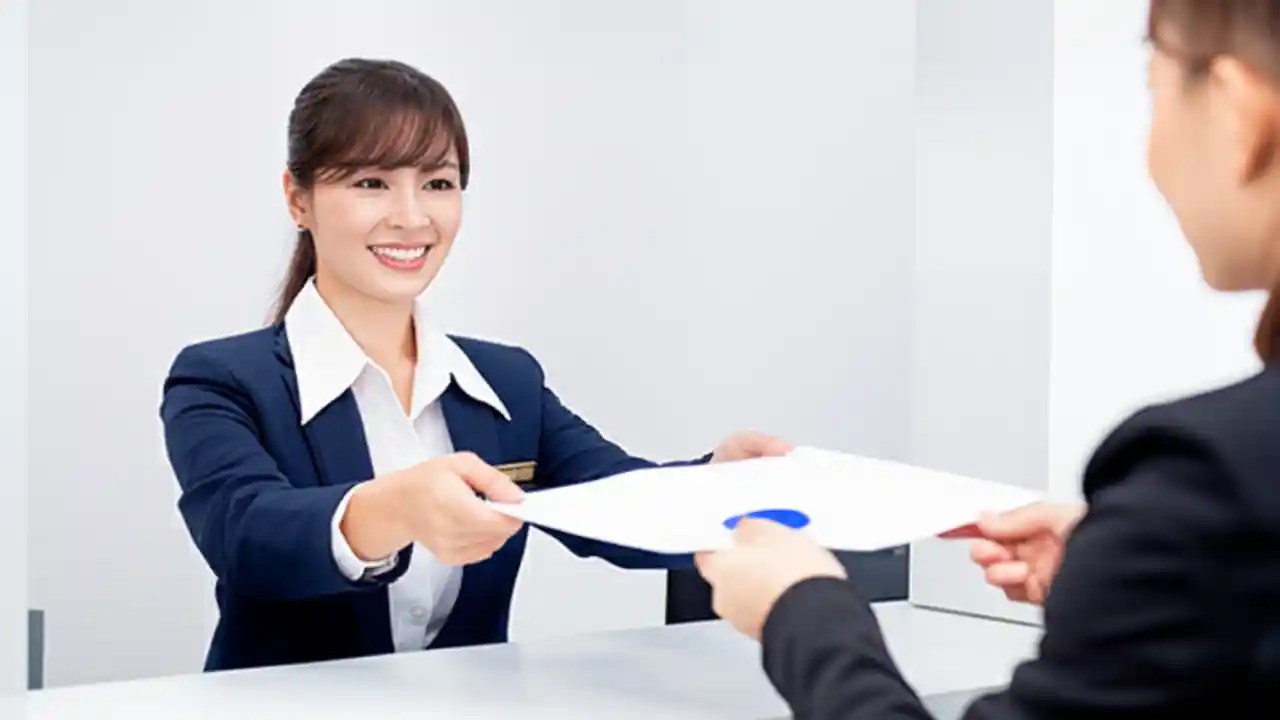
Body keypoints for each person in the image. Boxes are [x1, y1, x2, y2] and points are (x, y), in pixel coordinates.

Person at [695, 1, 1280, 716]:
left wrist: (801, 611)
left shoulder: (1209, 482)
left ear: (1235, 113)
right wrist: (1130, 571)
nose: (1152, 155)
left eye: (1156, 95)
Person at [160, 57, 789, 673]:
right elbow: (248, 539)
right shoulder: (221, 380)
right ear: (298, 200)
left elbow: (611, 505)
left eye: (438, 183)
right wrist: (399, 508)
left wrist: (717, 484)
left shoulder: (507, 382)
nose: (411, 217)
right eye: (371, 183)